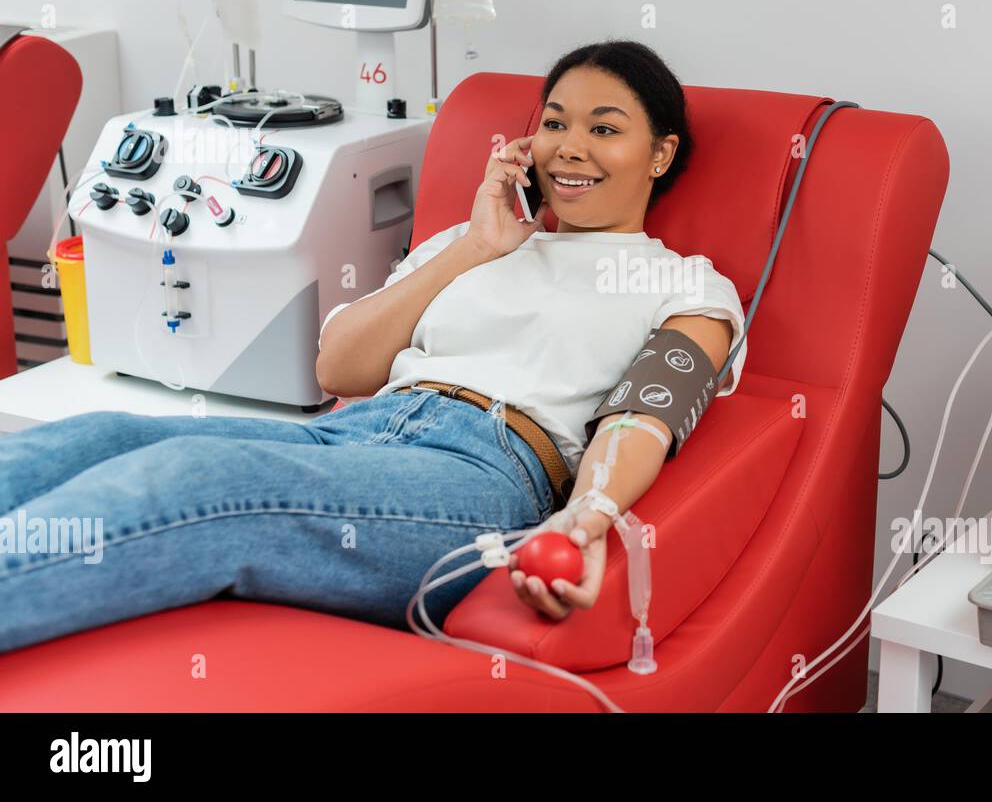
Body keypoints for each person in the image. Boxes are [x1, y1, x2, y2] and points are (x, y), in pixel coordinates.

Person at [0, 39, 746, 654]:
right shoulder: (469, 241)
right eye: (553, 123)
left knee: (198, 474)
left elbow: (641, 417)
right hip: (351, 432)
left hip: (481, 470)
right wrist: (476, 247)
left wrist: (583, 517)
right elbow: (340, 367)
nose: (569, 148)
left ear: (660, 153)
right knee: (98, 436)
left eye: (605, 129)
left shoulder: (682, 283)